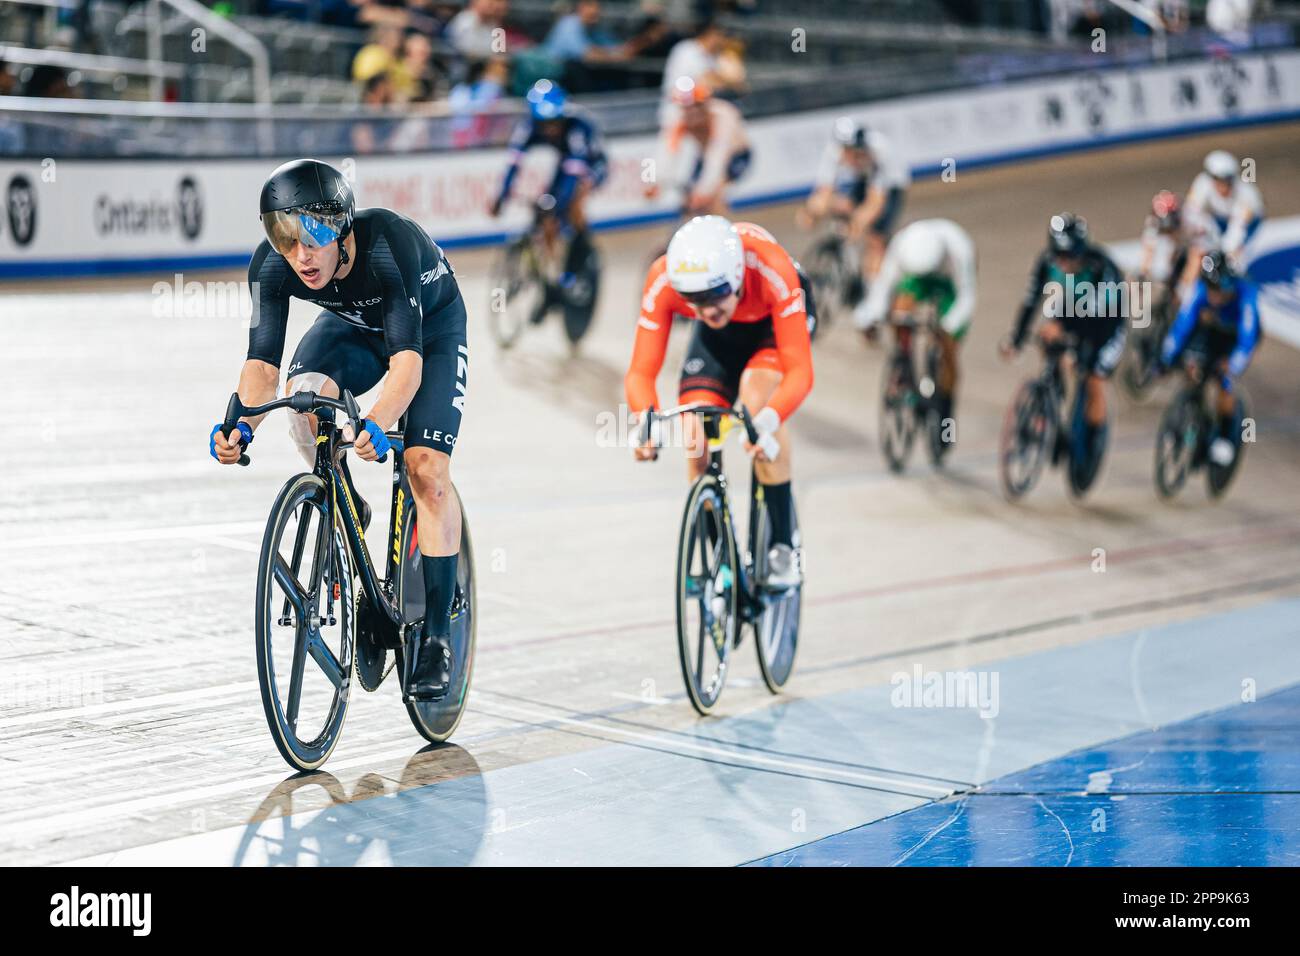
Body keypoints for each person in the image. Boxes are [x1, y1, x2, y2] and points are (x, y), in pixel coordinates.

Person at [210, 159, 470, 703]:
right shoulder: (274, 266)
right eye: (285, 239)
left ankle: (437, 638)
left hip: (430, 332)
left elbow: (407, 368)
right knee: (304, 397)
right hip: (353, 328)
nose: (300, 256)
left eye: (312, 238)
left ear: (342, 227)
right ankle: (345, 499)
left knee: (425, 468)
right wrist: (240, 427)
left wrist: (376, 422)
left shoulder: (387, 245)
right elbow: (262, 369)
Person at [626, 216, 815, 588]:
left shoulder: (771, 269)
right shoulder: (665, 279)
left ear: (738, 274)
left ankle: (782, 545)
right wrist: (646, 422)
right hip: (721, 339)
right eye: (695, 301)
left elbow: (800, 374)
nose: (707, 310)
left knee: (756, 397)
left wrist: (767, 422)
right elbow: (640, 372)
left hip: (772, 324)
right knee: (695, 434)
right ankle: (721, 564)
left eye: (715, 295)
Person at [1001, 212, 1127, 460]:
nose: (1063, 263)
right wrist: (1016, 339)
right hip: (1072, 309)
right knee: (1049, 342)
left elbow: (1099, 320)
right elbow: (1031, 300)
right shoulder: (1047, 261)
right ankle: (1052, 394)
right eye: (1059, 255)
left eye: (1069, 256)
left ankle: (1092, 442)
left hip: (1107, 322)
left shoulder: (1102, 269)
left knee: (1094, 378)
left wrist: (1069, 336)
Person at [856, 218, 977, 455]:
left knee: (949, 347)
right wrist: (870, 318)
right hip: (916, 279)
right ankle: (904, 360)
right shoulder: (902, 246)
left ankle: (945, 414)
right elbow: (883, 288)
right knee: (899, 312)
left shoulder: (960, 248)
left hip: (949, 283)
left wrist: (948, 327)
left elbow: (967, 297)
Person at [489, 80, 607, 289]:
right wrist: (501, 197)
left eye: (555, 122)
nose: (551, 128)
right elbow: (513, 166)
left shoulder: (576, 128)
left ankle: (579, 254)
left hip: (592, 164)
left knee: (573, 202)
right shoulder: (528, 128)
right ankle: (553, 272)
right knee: (546, 211)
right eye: (544, 123)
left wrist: (559, 204)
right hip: (567, 162)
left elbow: (574, 176)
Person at [1157, 250, 1260, 467]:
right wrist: (1166, 358)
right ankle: (1190, 413)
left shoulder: (1246, 296)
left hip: (1236, 339)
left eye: (1217, 289)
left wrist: (1232, 365)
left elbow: (1247, 340)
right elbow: (1181, 327)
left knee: (1223, 382)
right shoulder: (1200, 291)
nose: (1212, 294)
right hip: (1212, 331)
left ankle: (1225, 437)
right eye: (1209, 288)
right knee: (1192, 365)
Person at [804, 118, 910, 302]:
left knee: (875, 237)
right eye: (850, 152)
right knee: (842, 206)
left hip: (891, 185)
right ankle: (849, 262)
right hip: (862, 179)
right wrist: (812, 212)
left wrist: (858, 222)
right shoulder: (833, 152)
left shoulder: (879, 152)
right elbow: (824, 192)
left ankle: (875, 293)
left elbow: (875, 202)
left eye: (857, 151)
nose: (854, 156)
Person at [646, 76, 750, 215]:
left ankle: (722, 224)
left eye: (695, 107)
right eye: (684, 108)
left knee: (713, 196)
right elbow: (665, 150)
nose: (689, 113)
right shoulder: (679, 119)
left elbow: (718, 156)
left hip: (736, 155)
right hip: (706, 156)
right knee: (688, 201)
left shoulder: (722, 116)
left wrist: (704, 191)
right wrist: (654, 182)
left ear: (704, 104)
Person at [1183, 149, 1265, 274]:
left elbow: (1238, 228)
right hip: (1220, 220)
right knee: (1199, 250)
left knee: (1235, 259)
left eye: (1228, 181)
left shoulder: (1246, 194)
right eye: (1218, 180)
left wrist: (1227, 252)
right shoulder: (1202, 183)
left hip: (1248, 225)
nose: (1223, 186)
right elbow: (1191, 212)